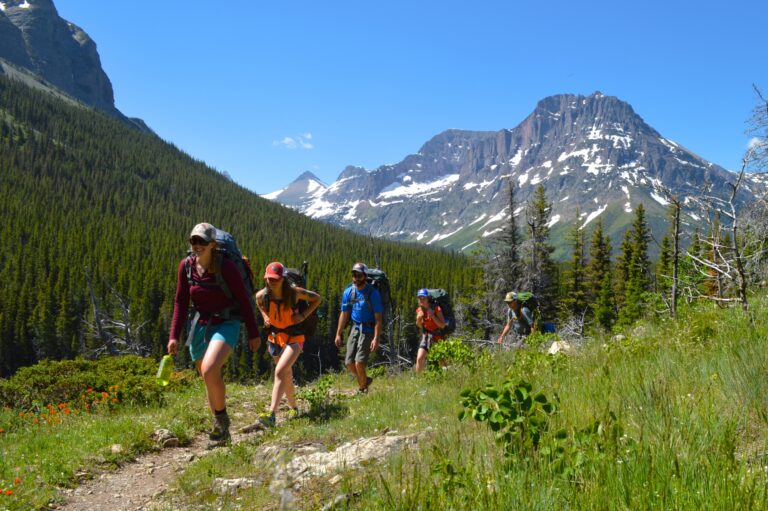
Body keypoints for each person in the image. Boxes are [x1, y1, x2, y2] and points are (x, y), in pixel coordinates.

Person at [167, 223, 260, 447]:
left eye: (202, 242)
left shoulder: (226, 267)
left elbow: (245, 300)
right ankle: (220, 430)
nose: (197, 246)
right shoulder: (186, 267)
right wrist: (174, 335)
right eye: (193, 242)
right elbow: (181, 301)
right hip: (200, 324)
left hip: (227, 322)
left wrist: (253, 332)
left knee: (210, 370)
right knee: (208, 376)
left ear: (213, 244)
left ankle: (222, 423)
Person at [253, 262, 321, 428]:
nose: (272, 282)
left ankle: (271, 414)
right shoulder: (263, 295)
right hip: (275, 337)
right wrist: (264, 316)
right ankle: (293, 408)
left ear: (282, 278)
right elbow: (258, 302)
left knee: (280, 371)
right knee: (286, 374)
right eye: (269, 279)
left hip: (295, 337)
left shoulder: (295, 293)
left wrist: (303, 316)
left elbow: (317, 299)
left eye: (275, 279)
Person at [334, 262, 383, 393]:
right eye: (354, 275)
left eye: (359, 276)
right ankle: (364, 380)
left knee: (359, 363)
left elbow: (378, 318)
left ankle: (363, 389)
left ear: (365, 276)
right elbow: (344, 314)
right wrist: (338, 333)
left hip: (368, 330)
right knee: (349, 363)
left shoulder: (373, 293)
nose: (356, 278)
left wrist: (376, 338)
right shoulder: (349, 292)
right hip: (355, 328)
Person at [414, 288, 446, 374]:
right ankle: (418, 379)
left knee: (442, 361)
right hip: (427, 336)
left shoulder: (436, 308)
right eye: (419, 298)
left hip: (438, 336)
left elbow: (442, 325)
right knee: (420, 358)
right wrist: (418, 319)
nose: (421, 300)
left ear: (428, 299)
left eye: (423, 298)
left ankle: (445, 378)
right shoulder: (419, 310)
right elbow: (420, 325)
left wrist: (433, 316)